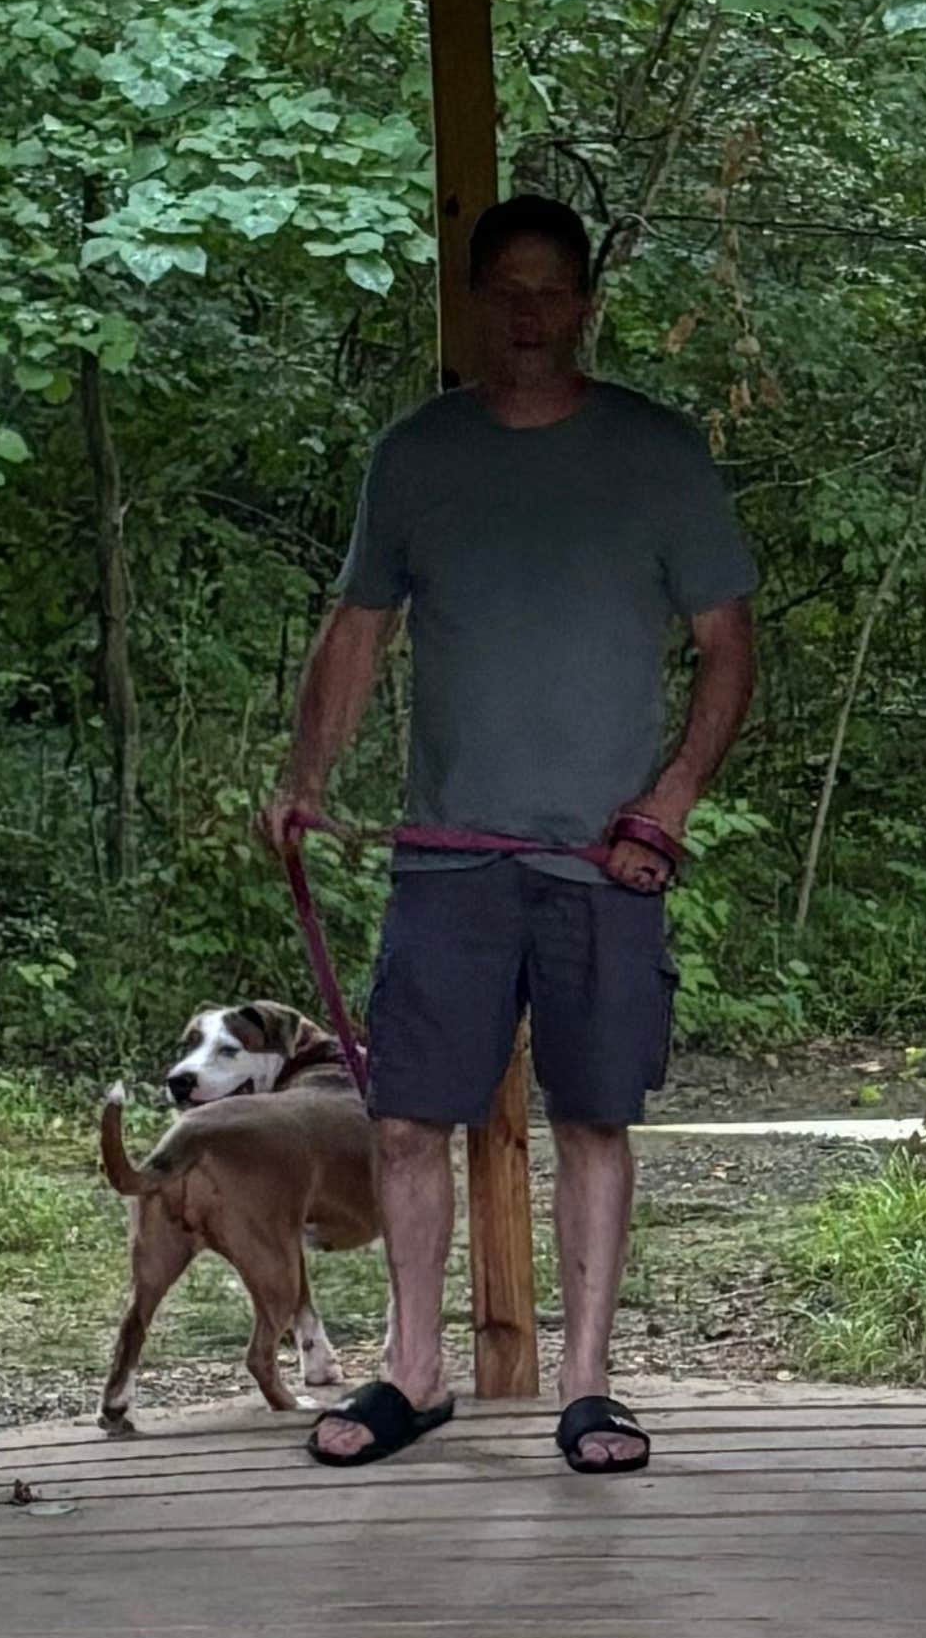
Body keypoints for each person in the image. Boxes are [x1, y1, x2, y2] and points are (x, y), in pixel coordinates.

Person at [257, 191, 754, 1474]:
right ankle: (411, 1375)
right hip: (447, 858)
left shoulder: (658, 453)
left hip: (603, 861)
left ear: (584, 304)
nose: (527, 316)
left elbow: (727, 647)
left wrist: (671, 799)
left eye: (550, 292)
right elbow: (358, 630)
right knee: (411, 1119)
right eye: (504, 292)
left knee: (594, 1118)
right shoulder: (416, 455)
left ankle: (588, 1386)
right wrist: (305, 777)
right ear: (474, 305)